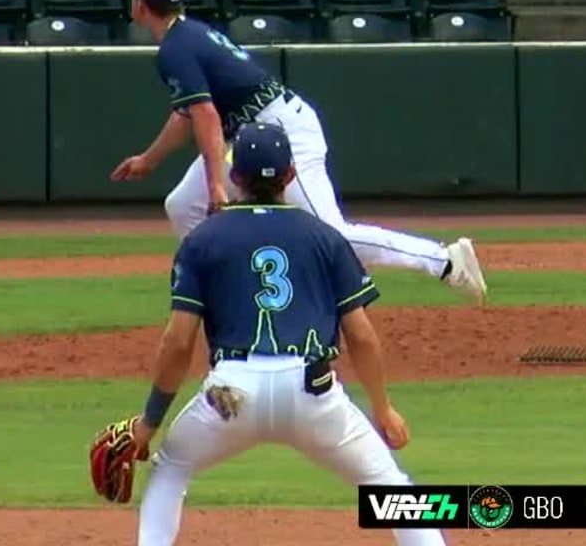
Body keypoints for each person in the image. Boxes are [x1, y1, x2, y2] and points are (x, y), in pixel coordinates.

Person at [121, 122, 447, 546]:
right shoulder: (325, 237)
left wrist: (149, 422)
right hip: (314, 393)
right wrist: (383, 410)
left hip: (230, 398)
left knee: (170, 469)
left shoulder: (202, 240)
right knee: (389, 483)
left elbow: (178, 342)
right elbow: (362, 337)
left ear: (233, 177)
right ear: (291, 175)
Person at [110, 0, 487, 298]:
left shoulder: (176, 47)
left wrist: (216, 185)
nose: (131, 0)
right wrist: (149, 159)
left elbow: (205, 114)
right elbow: (187, 114)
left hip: (282, 131)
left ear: (142, 4)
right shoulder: (188, 35)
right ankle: (233, 290)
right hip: (246, 136)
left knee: (331, 234)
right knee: (181, 206)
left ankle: (444, 260)